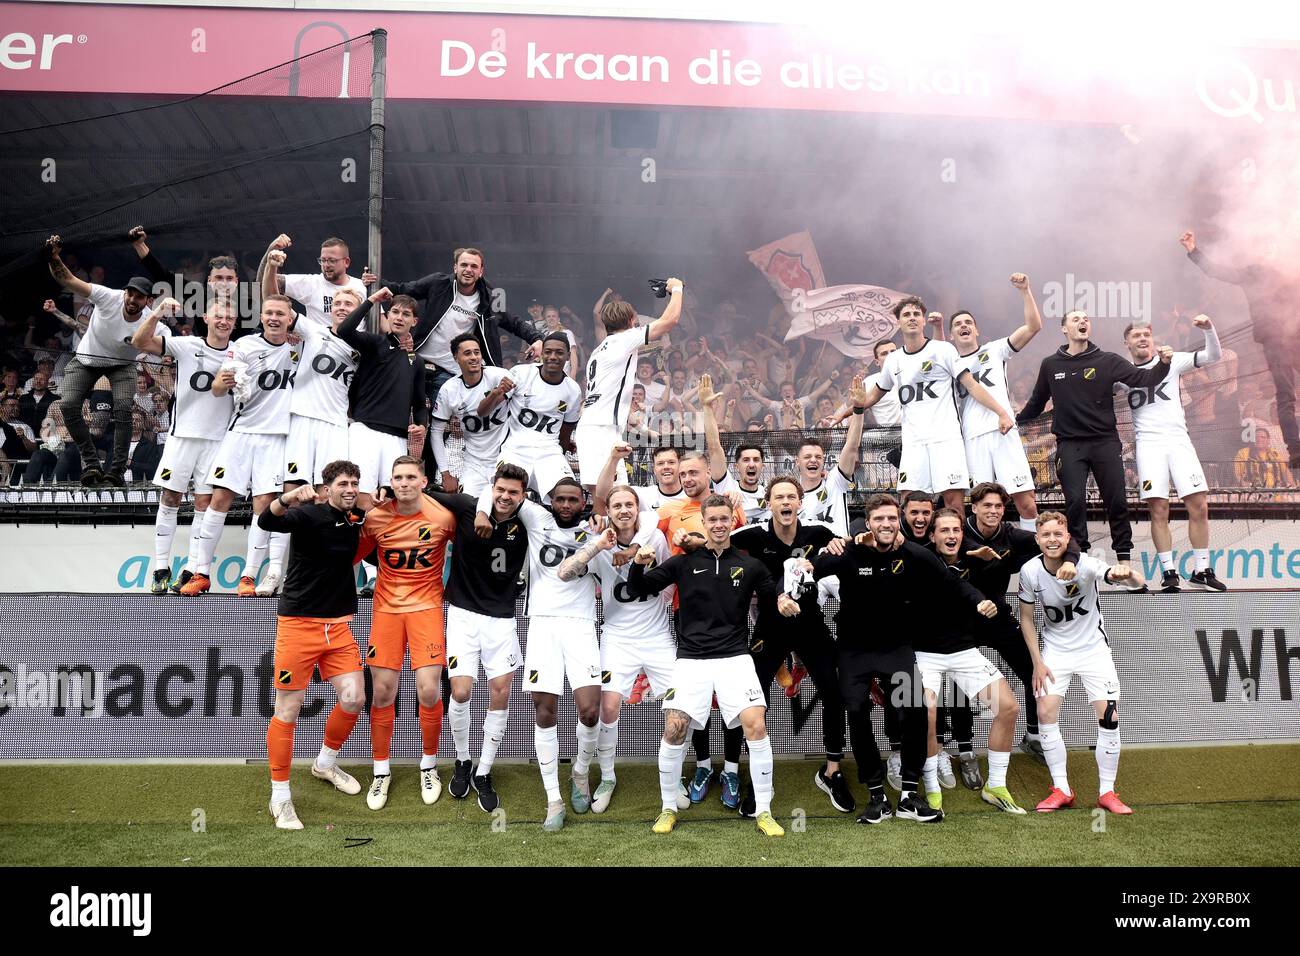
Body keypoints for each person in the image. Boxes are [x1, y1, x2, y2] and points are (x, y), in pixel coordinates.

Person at [626, 494, 797, 837]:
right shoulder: (683, 563)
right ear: (703, 523)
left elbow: (771, 595)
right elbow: (637, 587)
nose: (718, 525)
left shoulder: (750, 566)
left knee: (756, 726)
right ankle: (667, 808)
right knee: (674, 728)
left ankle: (763, 810)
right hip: (691, 659)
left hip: (735, 657)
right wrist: (638, 564)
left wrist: (782, 599)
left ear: (733, 522)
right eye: (712, 519)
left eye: (724, 519)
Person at [813, 494, 988, 825]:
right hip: (854, 650)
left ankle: (909, 794)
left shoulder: (914, 555)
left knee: (916, 712)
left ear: (899, 522)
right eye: (879, 519)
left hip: (896, 649)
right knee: (855, 711)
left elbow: (952, 581)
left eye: (892, 519)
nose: (886, 525)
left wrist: (979, 601)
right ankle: (876, 795)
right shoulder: (851, 552)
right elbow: (816, 567)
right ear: (869, 523)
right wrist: (845, 542)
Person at [473, 477, 600, 832]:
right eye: (559, 499)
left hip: (581, 624)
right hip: (542, 624)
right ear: (550, 501)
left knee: (590, 711)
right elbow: (496, 488)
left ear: (582, 501)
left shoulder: (594, 528)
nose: (565, 505)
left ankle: (579, 771)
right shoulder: (535, 518)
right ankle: (553, 800)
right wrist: (484, 511)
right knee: (545, 712)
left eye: (572, 500)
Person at [729, 476, 853, 813]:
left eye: (791, 497)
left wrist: (844, 544)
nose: (785, 503)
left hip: (810, 625)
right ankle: (759, 778)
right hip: (770, 627)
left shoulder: (818, 533)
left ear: (800, 503)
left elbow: (847, 546)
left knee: (834, 691)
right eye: (778, 497)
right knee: (755, 701)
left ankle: (831, 770)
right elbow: (717, 541)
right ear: (768, 503)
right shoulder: (753, 536)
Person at [256, 461, 369, 829]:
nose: (349, 488)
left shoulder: (357, 517)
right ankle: (281, 797)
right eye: (342, 483)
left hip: (338, 628)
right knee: (287, 709)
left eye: (354, 482)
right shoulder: (306, 514)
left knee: (354, 698)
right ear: (327, 487)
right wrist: (287, 497)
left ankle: (324, 764)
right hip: (299, 625)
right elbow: (266, 522)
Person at [1016, 309, 1173, 563]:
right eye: (1076, 319)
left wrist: (1164, 363)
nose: (1083, 322)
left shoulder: (1107, 360)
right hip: (1070, 445)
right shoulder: (1050, 364)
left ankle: (1124, 560)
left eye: (1086, 319)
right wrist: (1012, 422)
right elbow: (1036, 403)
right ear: (1065, 329)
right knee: (1075, 503)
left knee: (1117, 502)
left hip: (1104, 443)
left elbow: (1145, 378)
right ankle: (1081, 558)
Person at [556, 485, 675, 813]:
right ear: (607, 510)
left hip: (657, 635)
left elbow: (669, 578)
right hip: (617, 637)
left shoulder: (656, 538)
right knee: (607, 708)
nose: (624, 510)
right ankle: (607, 776)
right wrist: (597, 546)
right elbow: (565, 573)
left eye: (629, 505)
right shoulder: (600, 543)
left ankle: (673, 775)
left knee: (678, 708)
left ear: (638, 509)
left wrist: (660, 607)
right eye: (617, 505)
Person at [1019, 512, 1145, 814]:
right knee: (1045, 713)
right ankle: (1061, 788)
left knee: (1109, 718)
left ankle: (1107, 792)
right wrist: (1037, 662)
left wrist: (1125, 573)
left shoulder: (1086, 564)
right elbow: (1025, 619)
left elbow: (1137, 583)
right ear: (1037, 539)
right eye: (1045, 535)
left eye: (1057, 534)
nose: (1052, 540)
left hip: (1094, 652)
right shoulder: (1030, 571)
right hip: (1055, 653)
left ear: (1067, 538)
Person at [355, 457, 456, 809]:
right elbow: (349, 555)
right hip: (385, 611)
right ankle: (381, 771)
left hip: (426, 610)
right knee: (382, 693)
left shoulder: (443, 517)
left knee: (428, 691)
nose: (403, 483)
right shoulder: (377, 518)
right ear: (391, 482)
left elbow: (474, 547)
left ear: (424, 481)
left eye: (410, 476)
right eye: (397, 477)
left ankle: (429, 765)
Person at [180, 295, 299, 595]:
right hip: (241, 432)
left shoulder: (299, 347)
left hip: (276, 437)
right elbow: (218, 388)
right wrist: (227, 381)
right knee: (219, 499)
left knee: (264, 505)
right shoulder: (243, 346)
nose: (274, 318)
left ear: (290, 318)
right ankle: (201, 573)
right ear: (261, 317)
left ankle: (248, 576)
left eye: (280, 314)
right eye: (268, 312)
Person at [430, 464, 532, 814]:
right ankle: (462, 759)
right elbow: (426, 494)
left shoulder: (529, 520)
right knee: (460, 691)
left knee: (500, 693)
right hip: (462, 613)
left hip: (501, 618)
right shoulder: (465, 506)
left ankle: (484, 771)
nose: (505, 497)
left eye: (513, 492)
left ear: (523, 496)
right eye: (501, 489)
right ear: (492, 487)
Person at [855, 297, 1013, 513]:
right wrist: (847, 411)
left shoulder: (943, 350)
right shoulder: (893, 361)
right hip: (914, 443)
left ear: (922, 321)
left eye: (916, 314)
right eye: (906, 315)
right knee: (910, 502)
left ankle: (955, 546)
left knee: (954, 504)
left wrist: (1002, 413)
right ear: (898, 323)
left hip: (946, 440)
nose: (912, 318)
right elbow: (870, 397)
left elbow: (973, 386)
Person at [960, 481, 1079, 764]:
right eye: (986, 505)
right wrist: (972, 551)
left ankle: (1034, 736)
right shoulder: (958, 532)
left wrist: (1071, 560)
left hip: (998, 615)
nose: (993, 511)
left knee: (1034, 672)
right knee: (960, 683)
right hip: (962, 619)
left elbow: (1065, 541)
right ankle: (965, 750)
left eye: (998, 506)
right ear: (974, 507)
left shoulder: (1011, 534)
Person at [366, 247, 542, 427]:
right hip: (418, 361)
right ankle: (402, 454)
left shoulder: (490, 298)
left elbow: (513, 322)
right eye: (464, 264)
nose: (468, 269)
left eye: (474, 266)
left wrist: (537, 338)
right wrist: (375, 282)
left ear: (481, 271)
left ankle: (428, 456)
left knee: (440, 425)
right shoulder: (438, 283)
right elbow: (403, 289)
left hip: (449, 372)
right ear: (455, 267)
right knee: (400, 409)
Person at [923, 509, 1027, 814]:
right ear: (932, 536)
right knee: (927, 713)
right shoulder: (921, 561)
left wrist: (987, 604)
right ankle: (931, 791)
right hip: (924, 655)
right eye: (943, 531)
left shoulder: (976, 560)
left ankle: (995, 786)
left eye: (955, 530)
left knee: (1008, 707)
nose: (951, 536)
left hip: (963, 652)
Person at [130, 299, 237, 594]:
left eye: (229, 316)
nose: (224, 320)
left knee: (204, 504)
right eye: (219, 315)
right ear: (207, 317)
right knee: (171, 497)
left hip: (217, 439)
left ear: (236, 321)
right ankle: (160, 566)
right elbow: (140, 341)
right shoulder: (186, 344)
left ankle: (191, 568)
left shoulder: (239, 352)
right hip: (182, 435)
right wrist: (157, 312)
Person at [1119, 315, 1225, 592]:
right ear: (1126, 343)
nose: (1142, 338)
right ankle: (1169, 572)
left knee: (1199, 505)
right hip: (1149, 445)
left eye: (1146, 334)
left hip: (1179, 441)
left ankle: (1202, 569)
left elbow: (1214, 355)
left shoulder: (1172, 360)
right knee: (1159, 509)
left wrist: (1208, 329)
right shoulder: (1121, 373)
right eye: (1136, 335)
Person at [1180, 229, 1300, 470]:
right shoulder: (1254, 273)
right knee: (1285, 393)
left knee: (1286, 394)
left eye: (1273, 246)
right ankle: (1295, 449)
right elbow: (1218, 271)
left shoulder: (1291, 270)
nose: (1270, 251)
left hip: (1296, 334)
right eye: (1265, 247)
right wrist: (1193, 250)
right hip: (1276, 340)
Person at [45, 235, 156, 487]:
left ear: (147, 301)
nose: (132, 300)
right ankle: (92, 464)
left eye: (139, 297)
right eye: (130, 294)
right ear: (124, 292)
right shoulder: (108, 296)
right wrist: (53, 258)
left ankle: (115, 471)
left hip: (122, 365)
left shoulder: (151, 320)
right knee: (69, 404)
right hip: (86, 359)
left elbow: (167, 346)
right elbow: (68, 279)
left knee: (124, 409)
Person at [950, 273, 1044, 529]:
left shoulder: (994, 349)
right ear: (951, 335)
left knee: (1026, 503)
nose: (963, 325)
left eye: (968, 322)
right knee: (982, 507)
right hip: (972, 438)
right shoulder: (950, 363)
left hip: (1003, 432)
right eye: (957, 324)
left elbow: (1033, 327)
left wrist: (1025, 291)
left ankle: (1030, 558)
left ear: (976, 329)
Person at [574, 278, 683, 489]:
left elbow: (608, 399)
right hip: (600, 430)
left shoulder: (601, 349)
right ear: (633, 320)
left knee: (618, 495)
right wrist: (676, 288)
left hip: (598, 427)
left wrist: (644, 430)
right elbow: (670, 320)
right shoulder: (623, 340)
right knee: (605, 496)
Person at [336, 288, 428, 513]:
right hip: (365, 430)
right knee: (362, 497)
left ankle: (385, 548)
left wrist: (421, 425)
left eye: (406, 314)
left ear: (414, 321)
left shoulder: (416, 361)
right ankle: (364, 548)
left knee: (393, 499)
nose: (399, 317)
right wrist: (371, 300)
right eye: (394, 312)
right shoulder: (375, 343)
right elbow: (345, 330)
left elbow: (418, 403)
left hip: (396, 437)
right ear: (387, 317)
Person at [481, 333, 582, 502]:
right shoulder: (521, 373)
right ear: (542, 354)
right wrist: (497, 392)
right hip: (515, 451)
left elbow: (565, 434)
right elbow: (483, 411)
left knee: (568, 496)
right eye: (548, 351)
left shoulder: (573, 390)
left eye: (559, 353)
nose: (553, 357)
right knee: (504, 496)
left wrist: (558, 460)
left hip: (549, 453)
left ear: (567, 357)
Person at [430, 332, 512, 495]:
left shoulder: (499, 376)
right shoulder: (449, 389)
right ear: (456, 358)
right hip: (474, 462)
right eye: (467, 353)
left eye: (477, 352)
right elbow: (436, 431)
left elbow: (485, 410)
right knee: (468, 504)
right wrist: (446, 474)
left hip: (506, 456)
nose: (474, 357)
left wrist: (496, 393)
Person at [260, 234, 367, 329]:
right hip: (320, 345)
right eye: (323, 260)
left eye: (332, 260)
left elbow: (380, 323)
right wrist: (271, 254)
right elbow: (263, 283)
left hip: (355, 348)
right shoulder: (311, 283)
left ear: (346, 262)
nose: (326, 265)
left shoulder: (362, 285)